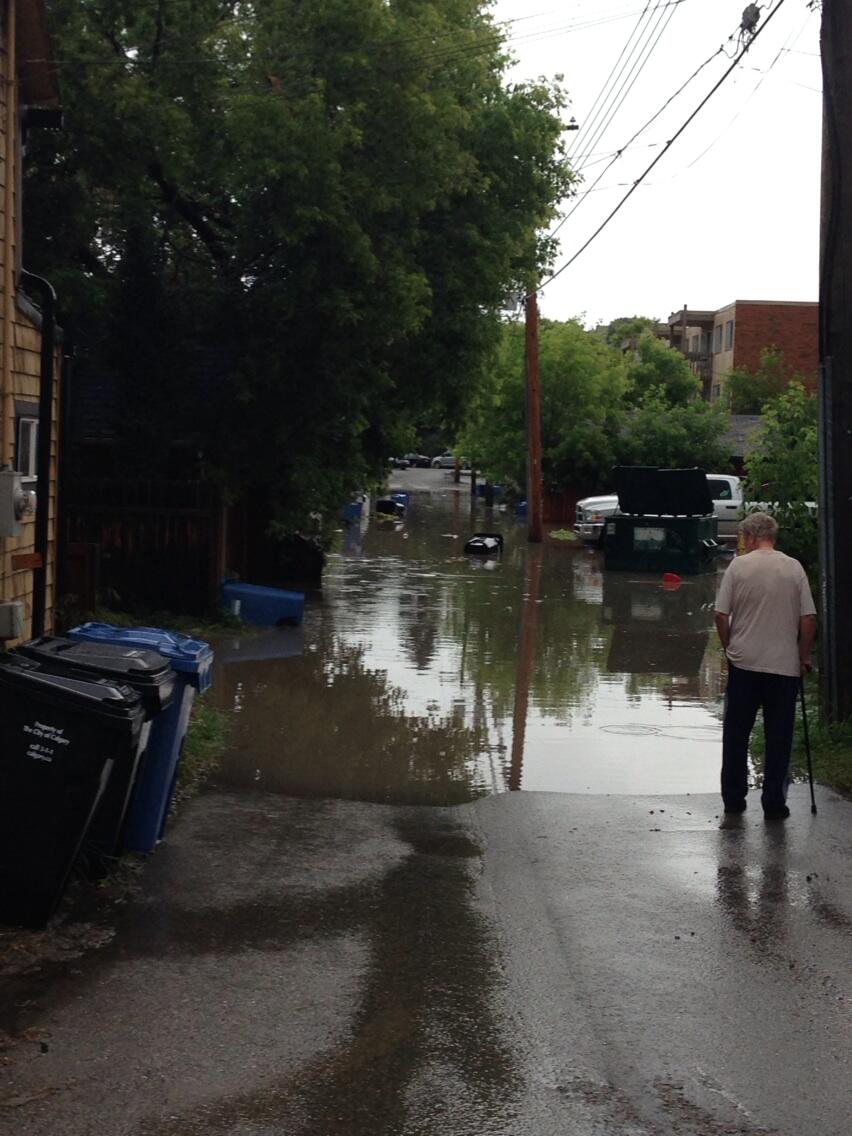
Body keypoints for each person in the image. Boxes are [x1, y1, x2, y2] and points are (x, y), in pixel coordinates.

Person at [714, 512, 817, 820]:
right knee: (779, 736)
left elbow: (721, 615)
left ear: (750, 536)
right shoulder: (794, 568)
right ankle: (774, 803)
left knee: (736, 734)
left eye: (743, 537)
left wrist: (730, 647)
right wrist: (802, 657)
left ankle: (734, 799)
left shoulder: (738, 567)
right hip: (783, 667)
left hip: (743, 664)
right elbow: (809, 619)